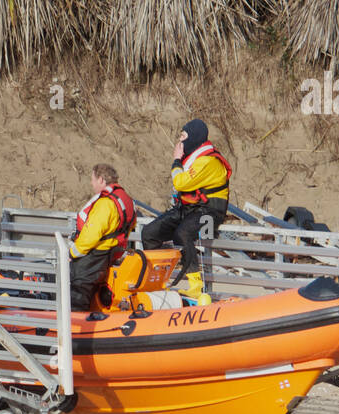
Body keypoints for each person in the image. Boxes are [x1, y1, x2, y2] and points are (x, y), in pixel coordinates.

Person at [141, 119, 231, 306]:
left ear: (194, 138)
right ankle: (157, 280)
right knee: (149, 233)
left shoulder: (208, 161)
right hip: (188, 208)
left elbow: (180, 182)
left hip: (210, 211)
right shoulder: (192, 159)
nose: (179, 141)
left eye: (183, 137)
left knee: (182, 233)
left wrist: (175, 160)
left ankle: (196, 285)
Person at [68, 164, 136, 310]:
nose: (91, 184)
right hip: (109, 254)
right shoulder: (126, 200)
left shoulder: (106, 203)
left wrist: (72, 253)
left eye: (93, 179)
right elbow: (130, 224)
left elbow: (90, 235)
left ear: (101, 180)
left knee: (77, 295)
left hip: (94, 257)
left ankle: (76, 327)